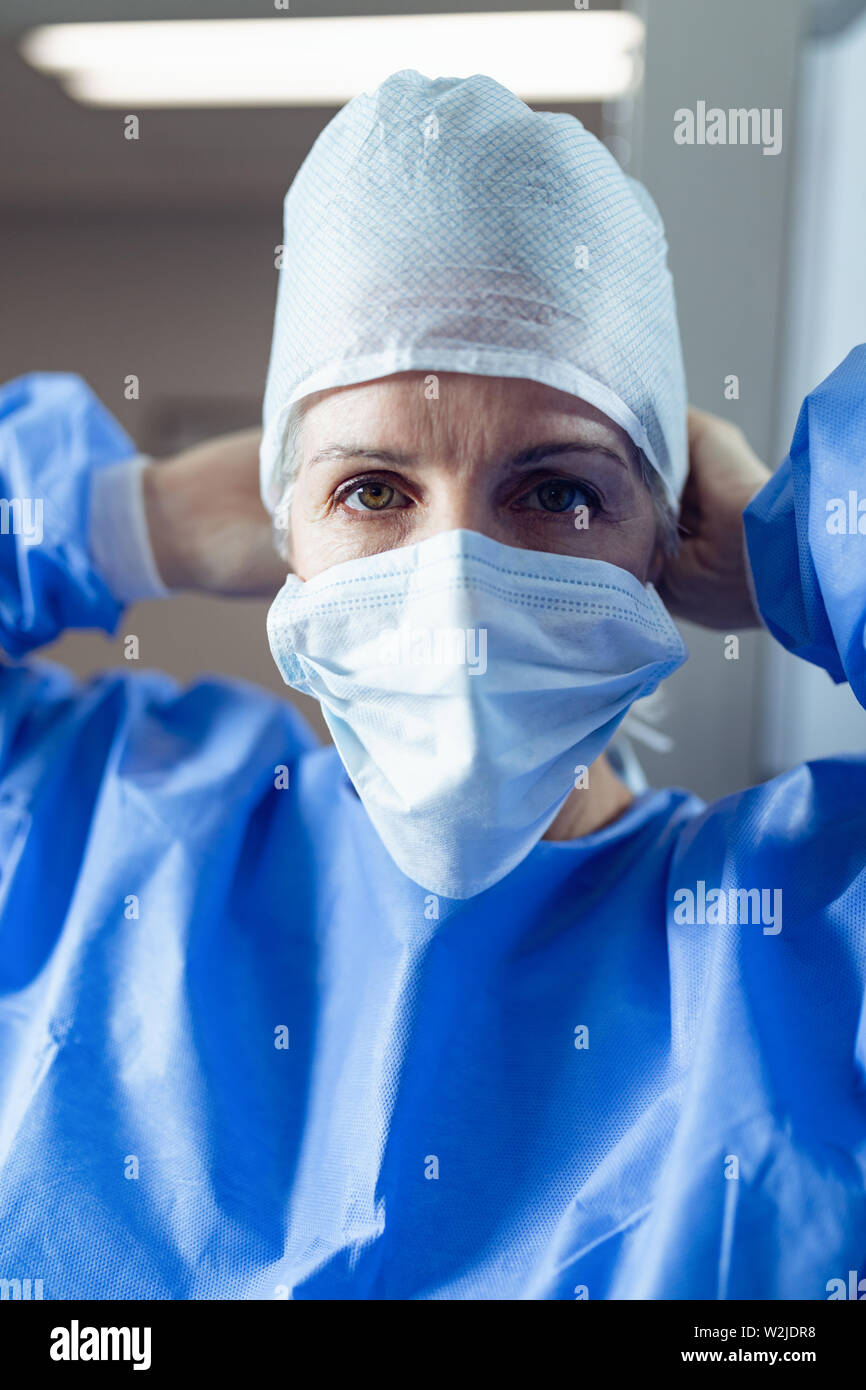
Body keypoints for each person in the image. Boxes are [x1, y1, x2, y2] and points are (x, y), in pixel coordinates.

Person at [0, 71, 863, 1301]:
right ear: (281, 526)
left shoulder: (804, 937)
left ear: (664, 536)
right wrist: (135, 519)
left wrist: (801, 546)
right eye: (372, 493)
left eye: (557, 492)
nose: (454, 584)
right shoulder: (93, 836)